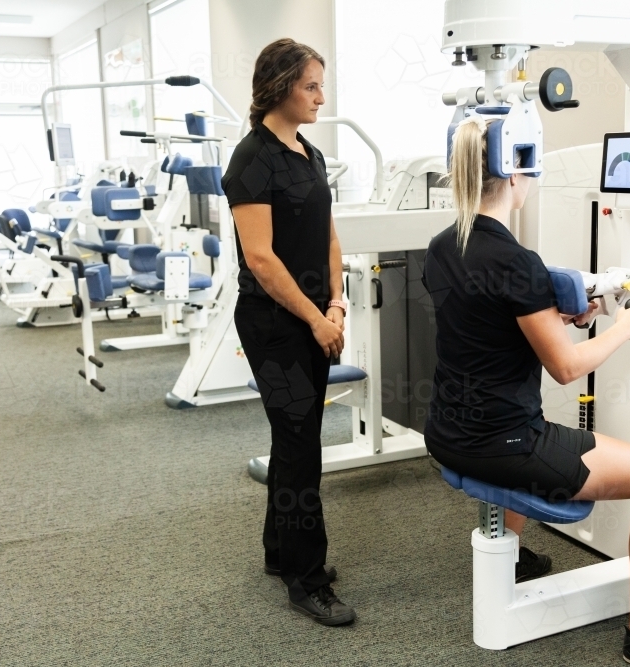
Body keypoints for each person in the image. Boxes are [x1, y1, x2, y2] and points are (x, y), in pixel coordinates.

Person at [422, 114, 630, 665]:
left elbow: (483, 323)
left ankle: (514, 559)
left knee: (533, 436)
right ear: (515, 173)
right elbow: (565, 368)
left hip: (447, 433)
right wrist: (625, 326)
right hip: (504, 443)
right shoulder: (517, 262)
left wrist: (558, 314)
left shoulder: (443, 245)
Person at [221, 38, 354, 627]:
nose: (321, 97)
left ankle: (280, 551)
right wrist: (315, 318)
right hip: (274, 324)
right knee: (301, 448)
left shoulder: (310, 153)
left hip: (315, 316)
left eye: (321, 85)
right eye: (311, 86)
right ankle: (306, 579)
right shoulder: (251, 160)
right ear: (279, 89)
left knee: (293, 436)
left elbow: (329, 236)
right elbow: (261, 260)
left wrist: (336, 301)